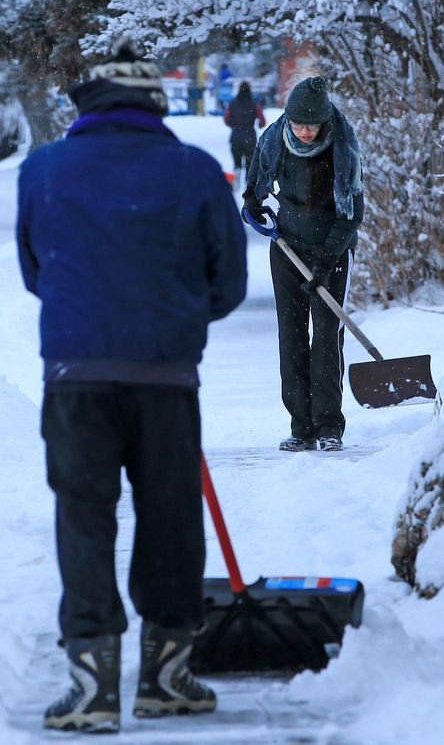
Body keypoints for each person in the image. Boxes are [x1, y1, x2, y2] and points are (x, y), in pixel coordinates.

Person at [16, 39, 247, 733]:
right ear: (155, 103)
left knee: (84, 518)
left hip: (75, 378)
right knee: (170, 516)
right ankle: (167, 674)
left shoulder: (44, 169)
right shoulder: (197, 171)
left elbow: (36, 271)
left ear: (88, 102)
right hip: (165, 377)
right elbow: (228, 284)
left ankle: (91, 678)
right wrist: (172, 317)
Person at [242, 76, 364, 453]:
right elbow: (257, 183)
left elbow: (352, 213)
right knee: (291, 336)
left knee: (327, 336)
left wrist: (327, 259)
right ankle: (301, 426)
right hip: (287, 246)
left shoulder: (342, 146)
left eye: (311, 125)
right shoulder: (275, 138)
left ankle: (329, 426)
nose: (304, 132)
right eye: (298, 124)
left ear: (324, 121)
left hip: (332, 248)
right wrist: (253, 203)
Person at [223, 80, 265, 184]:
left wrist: (234, 125)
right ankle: (248, 185)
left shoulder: (232, 104)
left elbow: (226, 119)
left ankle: (237, 177)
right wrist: (258, 124)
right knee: (250, 165)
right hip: (250, 138)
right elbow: (262, 122)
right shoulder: (254, 104)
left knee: (237, 163)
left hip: (236, 137)